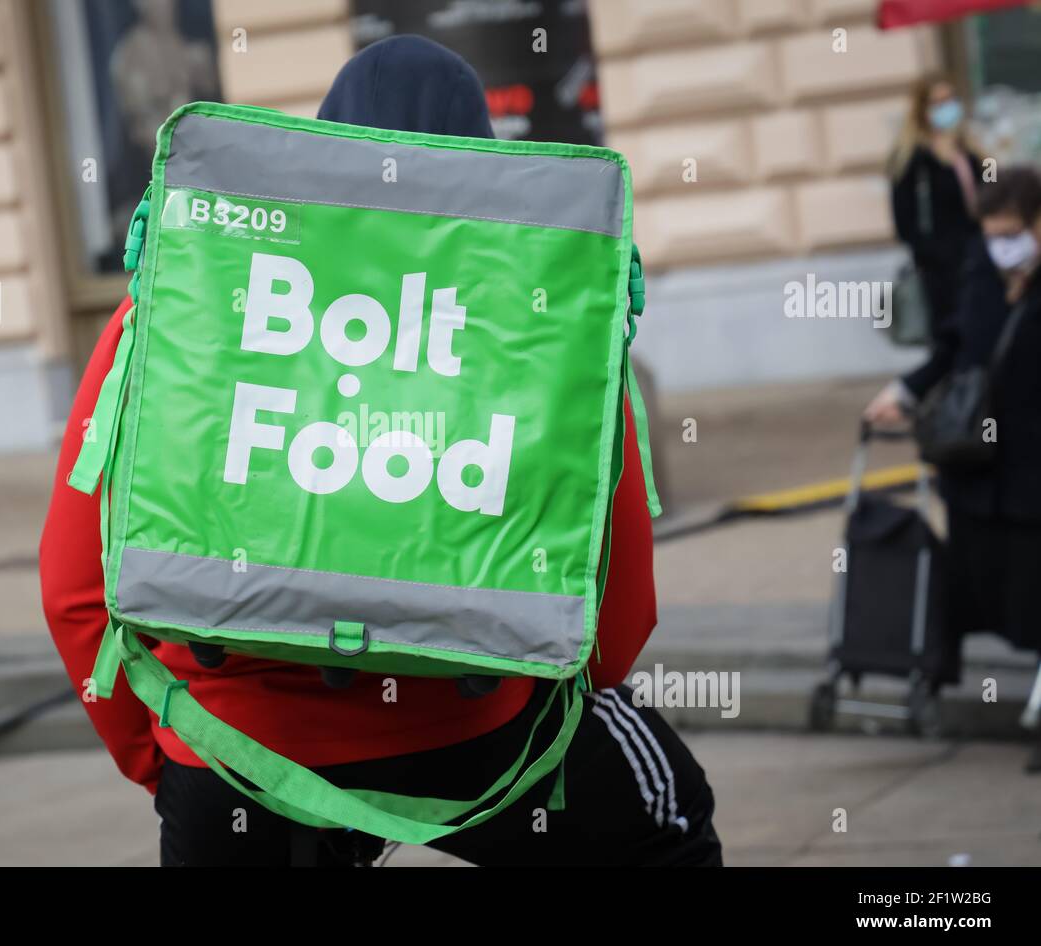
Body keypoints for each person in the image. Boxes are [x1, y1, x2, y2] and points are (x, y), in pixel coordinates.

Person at [40, 35, 722, 865]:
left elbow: (73, 582)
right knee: (666, 813)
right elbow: (613, 621)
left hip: (224, 746)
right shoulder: (549, 326)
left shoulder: (178, 302)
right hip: (475, 739)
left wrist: (172, 753)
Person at [865, 166, 1041, 768]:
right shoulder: (981, 272)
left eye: (1013, 232)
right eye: (993, 233)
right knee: (976, 584)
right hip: (978, 471)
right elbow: (953, 345)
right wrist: (904, 392)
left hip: (1032, 475)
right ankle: (934, 683)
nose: (1002, 245)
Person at [885, 73, 982, 346]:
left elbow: (989, 191)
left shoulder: (969, 151)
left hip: (976, 255)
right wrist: (931, 254)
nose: (946, 108)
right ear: (922, 110)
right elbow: (904, 221)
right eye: (937, 103)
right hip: (940, 267)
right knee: (949, 336)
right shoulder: (912, 158)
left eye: (950, 100)